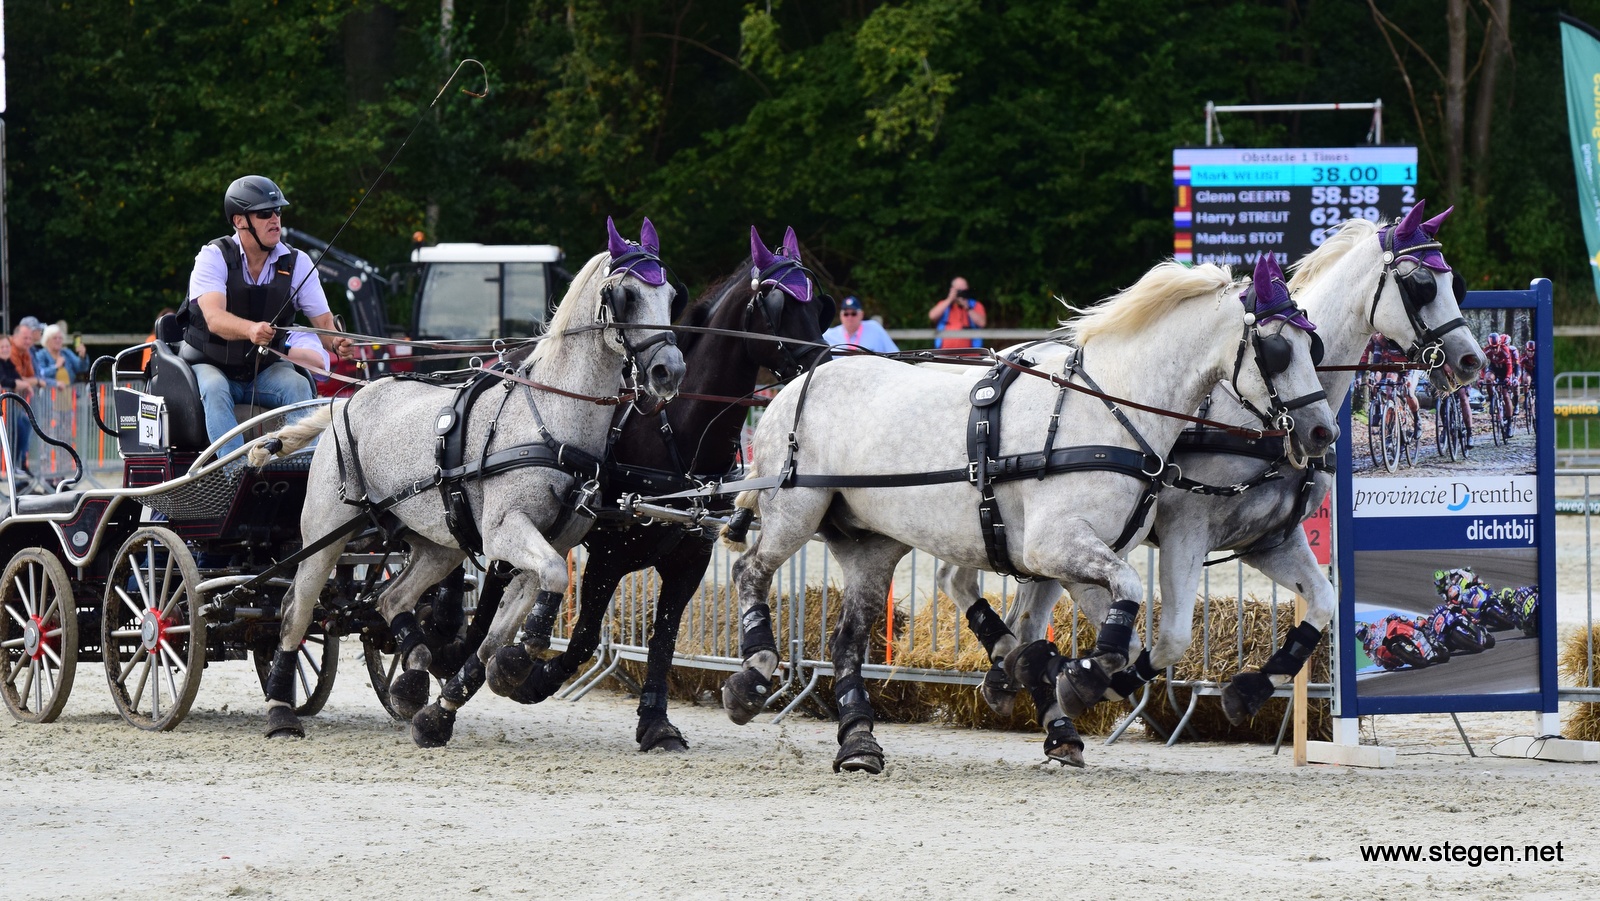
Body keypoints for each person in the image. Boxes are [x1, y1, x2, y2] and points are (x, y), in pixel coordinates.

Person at [183, 175, 353, 455]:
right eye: (264, 213)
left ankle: (302, 468)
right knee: (214, 389)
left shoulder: (298, 263)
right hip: (211, 364)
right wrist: (251, 330)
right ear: (239, 221)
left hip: (264, 370)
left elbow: (323, 323)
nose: (275, 219)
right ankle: (236, 475)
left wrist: (337, 342)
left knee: (298, 384)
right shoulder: (213, 257)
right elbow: (214, 318)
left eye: (278, 211)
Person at [7, 317, 46, 475]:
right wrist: (34, 381)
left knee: (25, 426)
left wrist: (31, 381)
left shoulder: (26, 353)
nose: (28, 341)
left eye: (30, 338)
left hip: (15, 401)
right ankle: (14, 465)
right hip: (8, 401)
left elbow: (27, 376)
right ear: (15, 337)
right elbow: (16, 379)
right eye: (25, 338)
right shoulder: (10, 351)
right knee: (19, 429)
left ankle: (19, 464)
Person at [822, 295, 899, 356]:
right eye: (846, 314)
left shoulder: (874, 328)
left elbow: (895, 353)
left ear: (861, 315)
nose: (850, 317)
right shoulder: (828, 335)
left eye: (853, 313)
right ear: (840, 316)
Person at [928, 276, 986, 349]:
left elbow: (982, 323)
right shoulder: (944, 304)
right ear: (952, 290)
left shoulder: (975, 305)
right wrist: (949, 299)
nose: (962, 294)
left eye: (964, 291)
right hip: (944, 354)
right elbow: (932, 316)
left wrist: (967, 307)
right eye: (959, 291)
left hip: (971, 355)